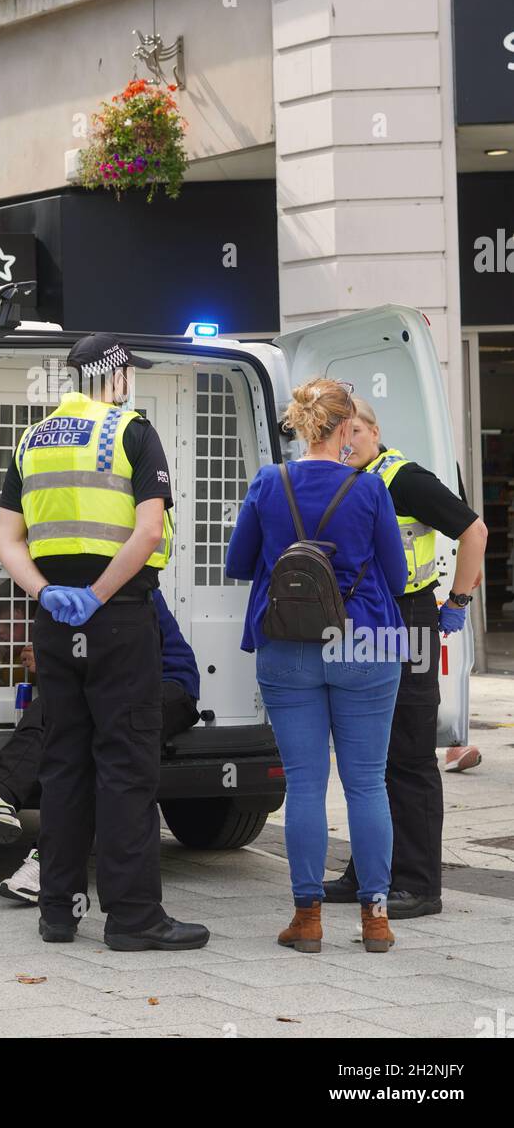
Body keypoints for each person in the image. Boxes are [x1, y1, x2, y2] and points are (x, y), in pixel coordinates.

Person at [0, 333, 209, 952]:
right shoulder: (130, 431)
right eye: (127, 374)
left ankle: (57, 912)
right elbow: (147, 533)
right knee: (126, 765)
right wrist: (101, 594)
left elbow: (7, 539)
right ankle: (134, 917)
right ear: (114, 377)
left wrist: (45, 593)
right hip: (119, 619)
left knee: (63, 765)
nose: (129, 384)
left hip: (55, 623)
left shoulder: (32, 440)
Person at [225, 377, 407, 955]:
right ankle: (375, 918)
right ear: (346, 426)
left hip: (287, 645)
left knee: (305, 783)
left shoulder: (267, 482)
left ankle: (307, 919)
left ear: (304, 424)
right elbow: (398, 578)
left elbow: (238, 564)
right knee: (367, 782)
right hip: (365, 643)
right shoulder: (370, 486)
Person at [324, 396, 488, 918]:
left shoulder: (404, 477)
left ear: (374, 430)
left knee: (411, 754)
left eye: (353, 430)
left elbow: (474, 531)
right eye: (337, 431)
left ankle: (419, 884)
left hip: (409, 617)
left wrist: (459, 601)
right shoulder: (343, 476)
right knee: (366, 755)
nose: (345, 440)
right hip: (364, 620)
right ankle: (368, 869)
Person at [0, 589, 201, 905]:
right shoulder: (64, 586)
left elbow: (127, 655)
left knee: (98, 743)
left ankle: (45, 864)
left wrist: (54, 658)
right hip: (112, 686)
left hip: (167, 686)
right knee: (52, 709)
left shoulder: (123, 580)